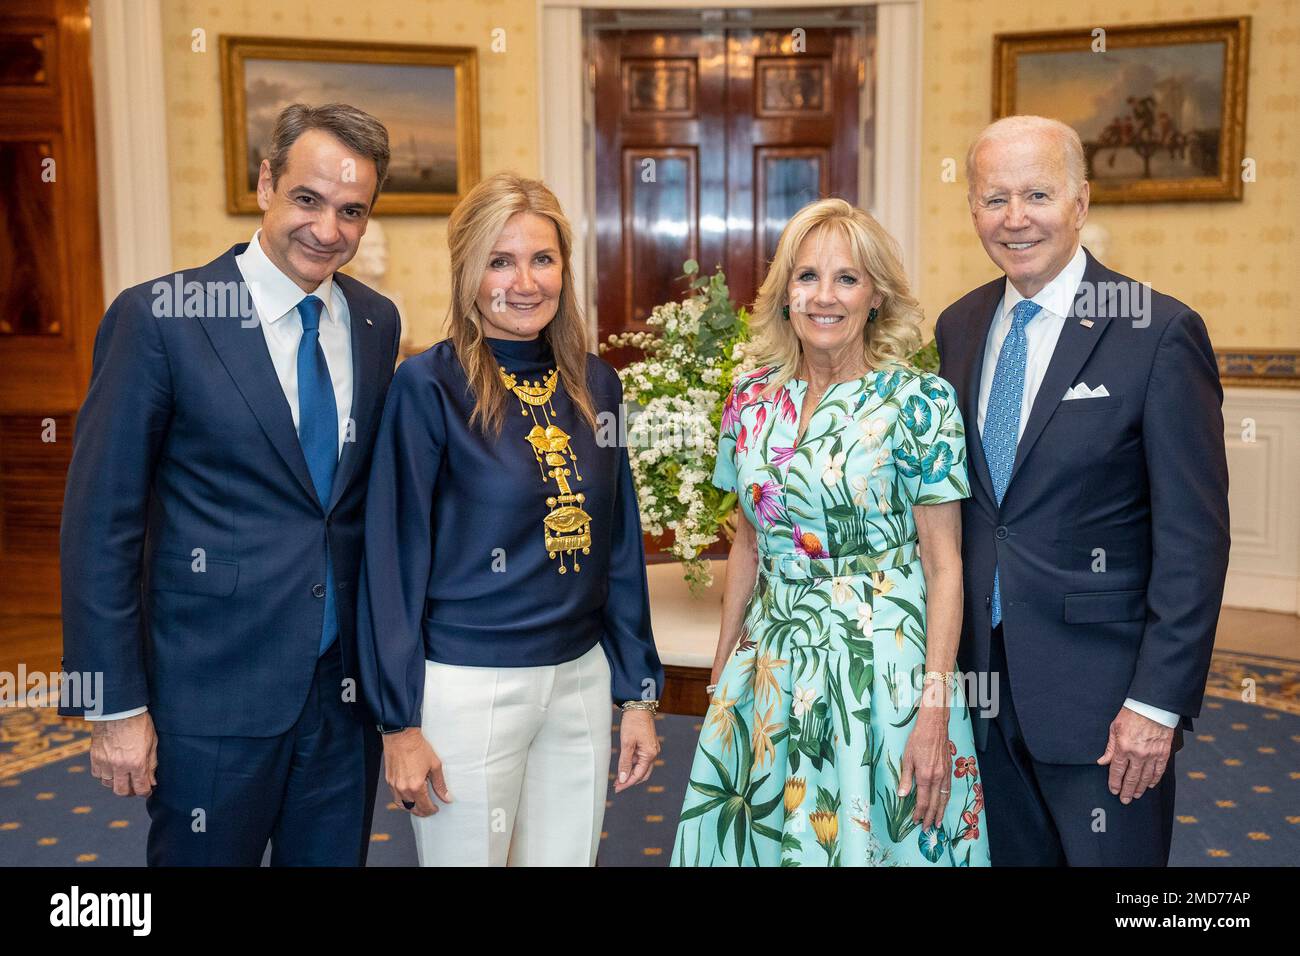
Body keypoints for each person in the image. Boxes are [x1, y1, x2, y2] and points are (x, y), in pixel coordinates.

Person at [58, 103, 401, 865]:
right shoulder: (161, 318)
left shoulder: (376, 324)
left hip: (341, 698)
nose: (328, 230)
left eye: (353, 212)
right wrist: (113, 704)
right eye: (307, 200)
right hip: (209, 696)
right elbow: (99, 526)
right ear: (265, 183)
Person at [935, 115, 1230, 866]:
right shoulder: (959, 326)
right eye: (994, 197)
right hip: (981, 692)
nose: (1014, 217)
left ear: (1080, 201)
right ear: (971, 209)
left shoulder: (1157, 333)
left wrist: (1156, 705)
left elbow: (1194, 541)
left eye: (1037, 193)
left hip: (1105, 706)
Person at [356, 172, 664, 867]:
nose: (524, 282)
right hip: (468, 684)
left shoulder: (597, 383)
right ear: (468, 272)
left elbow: (617, 547)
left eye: (542, 259)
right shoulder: (427, 388)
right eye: (500, 261)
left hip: (580, 679)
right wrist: (398, 722)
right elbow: (392, 560)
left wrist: (638, 693)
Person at [672, 198, 991, 866]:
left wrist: (933, 706)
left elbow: (945, 567)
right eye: (807, 276)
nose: (825, 296)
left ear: (876, 295)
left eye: (847, 278)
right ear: (785, 292)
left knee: (876, 835)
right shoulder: (750, 397)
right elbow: (748, 544)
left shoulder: (920, 402)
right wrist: (723, 671)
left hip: (883, 665)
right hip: (771, 663)